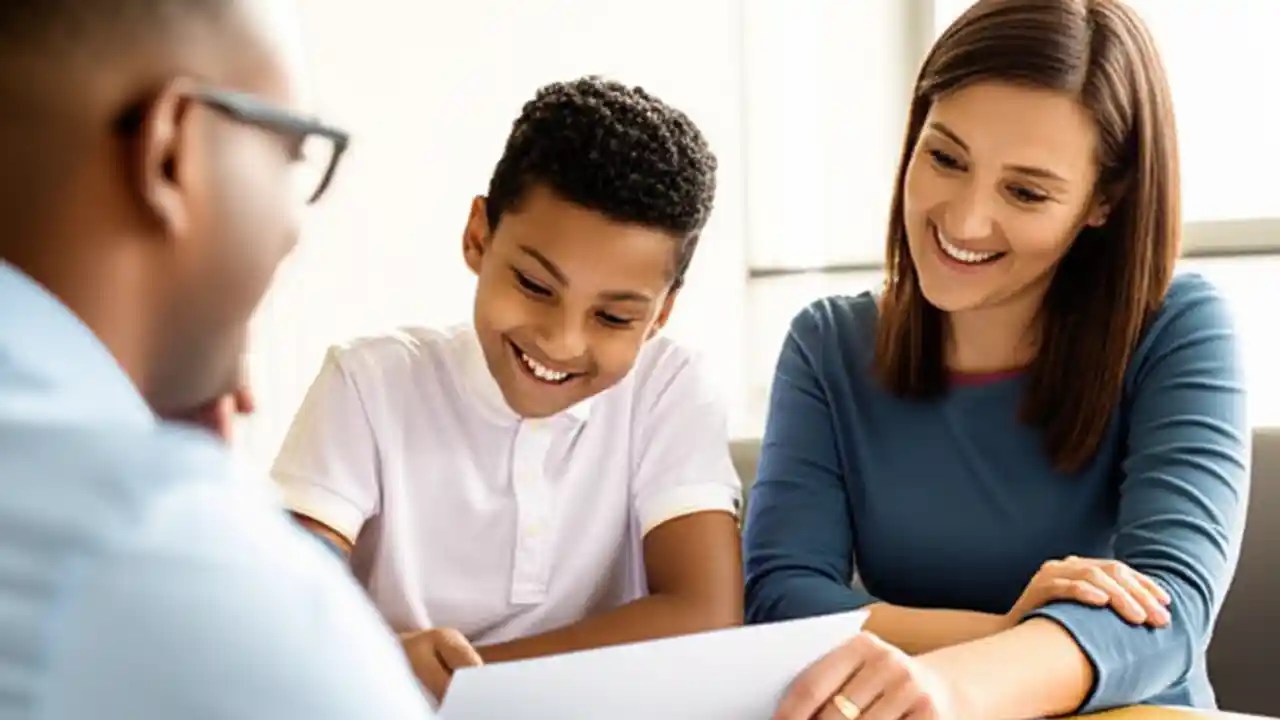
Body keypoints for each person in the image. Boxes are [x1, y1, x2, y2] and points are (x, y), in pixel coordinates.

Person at [748, 0, 1250, 718]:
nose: (964, 219)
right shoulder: (829, 346)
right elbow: (782, 602)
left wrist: (952, 684)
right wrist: (1010, 636)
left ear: (1104, 200)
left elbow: (1167, 610)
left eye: (1025, 191)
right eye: (945, 157)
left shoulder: (1179, 327)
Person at [0, 1, 434, 717]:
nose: (297, 223)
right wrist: (214, 512)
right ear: (173, 148)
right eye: (293, 152)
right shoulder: (152, 545)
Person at [273, 76, 745, 701]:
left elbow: (705, 616)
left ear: (659, 316)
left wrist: (457, 683)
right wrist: (386, 662)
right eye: (534, 285)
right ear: (478, 237)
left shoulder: (669, 389)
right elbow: (278, 617)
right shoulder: (368, 385)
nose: (561, 340)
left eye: (613, 318)